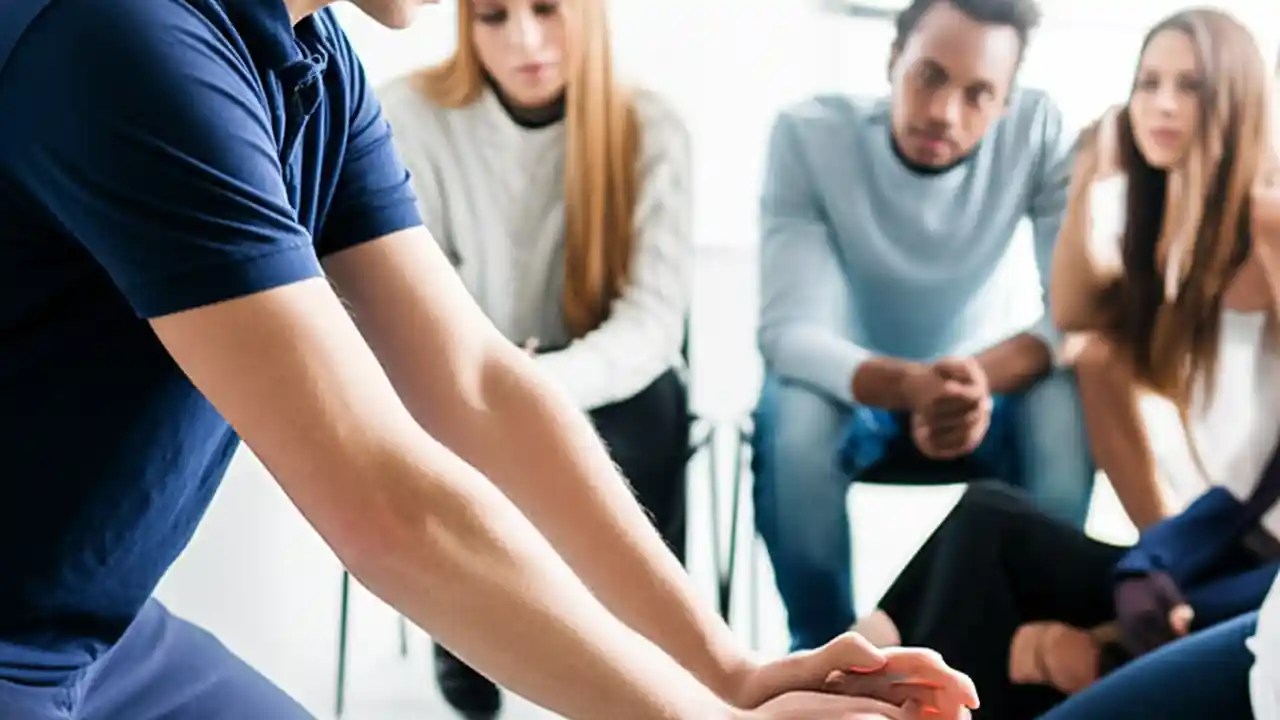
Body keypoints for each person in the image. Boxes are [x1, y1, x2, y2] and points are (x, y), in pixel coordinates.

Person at [0, 0, 980, 719]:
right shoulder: (124, 37)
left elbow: (476, 386)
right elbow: (383, 507)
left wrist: (725, 670)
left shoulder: (310, 61)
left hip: (104, 637)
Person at [847, 9, 1280, 719]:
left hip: (1254, 573)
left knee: (997, 610)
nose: (1163, 104)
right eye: (1148, 84)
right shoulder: (1176, 245)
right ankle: (829, 683)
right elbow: (1075, 316)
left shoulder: (1268, 222)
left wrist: (1166, 566)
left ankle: (829, 691)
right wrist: (1092, 171)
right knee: (990, 524)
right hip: (1205, 548)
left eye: (1191, 86)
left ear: (1235, 98)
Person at [752, 0, 1134, 653]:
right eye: (928, 76)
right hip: (860, 396)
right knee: (794, 420)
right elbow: (791, 333)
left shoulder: (1040, 130)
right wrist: (908, 387)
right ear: (892, 58)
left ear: (1008, 101)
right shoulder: (809, 136)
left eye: (978, 94)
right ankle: (823, 653)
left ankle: (1018, 642)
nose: (943, 113)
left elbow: (1074, 318)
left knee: (1066, 402)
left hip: (986, 393)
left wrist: (973, 381)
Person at [378, 0, 691, 715]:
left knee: (656, 404)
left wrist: (539, 383)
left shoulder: (653, 126)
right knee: (454, 421)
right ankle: (472, 639)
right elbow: (410, 300)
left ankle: (658, 662)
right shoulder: (409, 116)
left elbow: (650, 324)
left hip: (598, 374)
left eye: (547, 9)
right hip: (461, 367)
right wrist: (490, 377)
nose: (524, 39)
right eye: (492, 17)